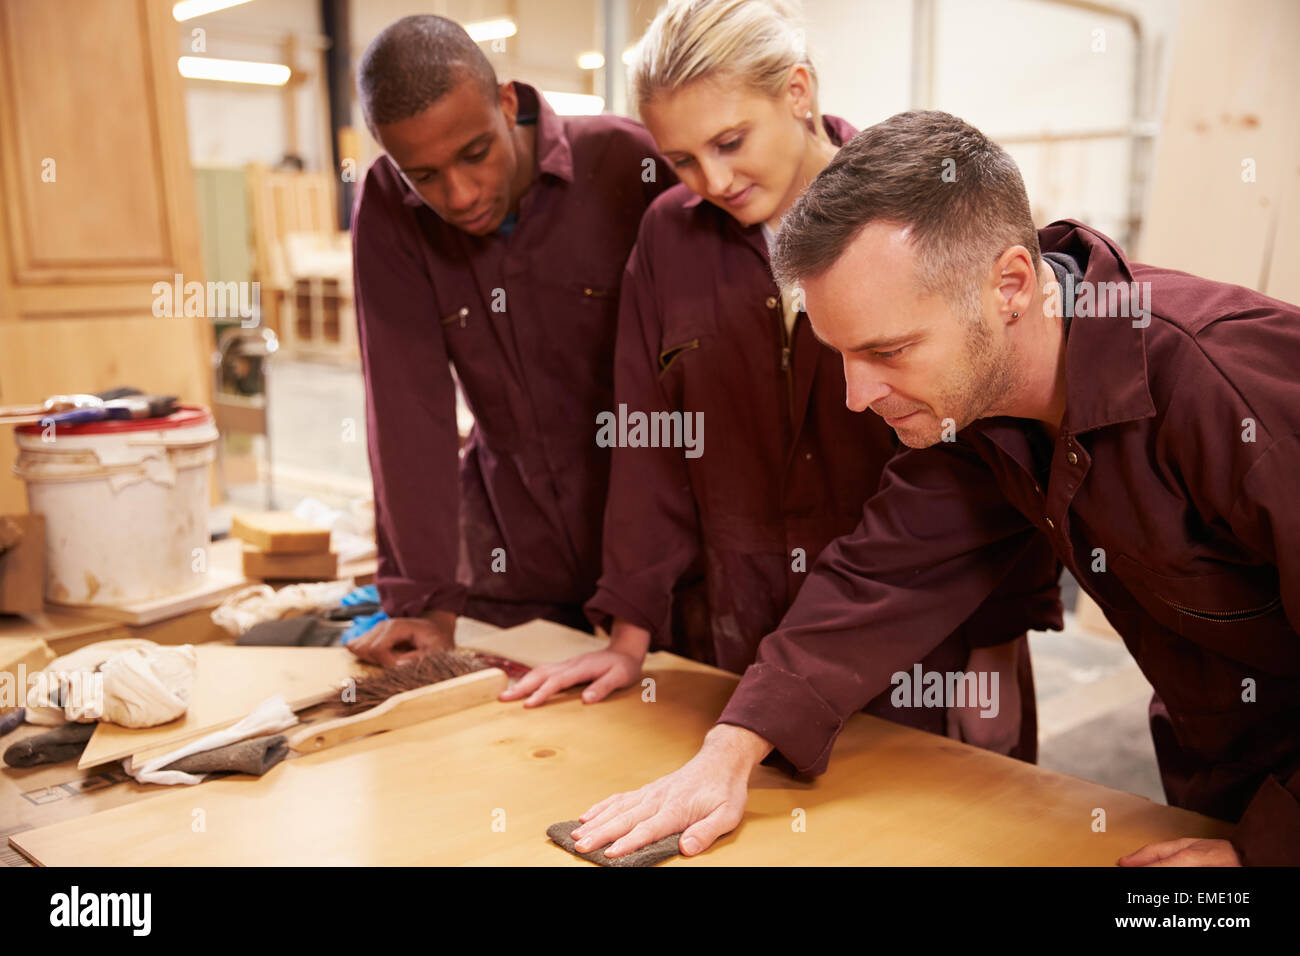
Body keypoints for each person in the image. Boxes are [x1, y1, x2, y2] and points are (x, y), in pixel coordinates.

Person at [569, 109, 1300, 867]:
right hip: (1223, 783)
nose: (856, 396)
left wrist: (1271, 852)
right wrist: (730, 749)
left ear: (1010, 285)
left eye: (888, 350)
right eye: (842, 354)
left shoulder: (1231, 392)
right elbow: (883, 573)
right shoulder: (979, 412)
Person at [501, 0, 1062, 763]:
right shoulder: (669, 237)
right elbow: (649, 444)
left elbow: (1005, 442)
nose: (715, 179)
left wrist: (992, 653)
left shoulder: (914, 210)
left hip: (928, 642)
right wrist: (629, 637)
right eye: (682, 160)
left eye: (731, 142)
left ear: (798, 92)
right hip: (737, 636)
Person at [348, 16, 675, 665]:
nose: (460, 195)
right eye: (425, 176)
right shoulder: (388, 206)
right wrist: (425, 599)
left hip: (660, 571)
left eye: (475, 154)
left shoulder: (629, 165)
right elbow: (407, 408)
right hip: (512, 564)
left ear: (506, 103)